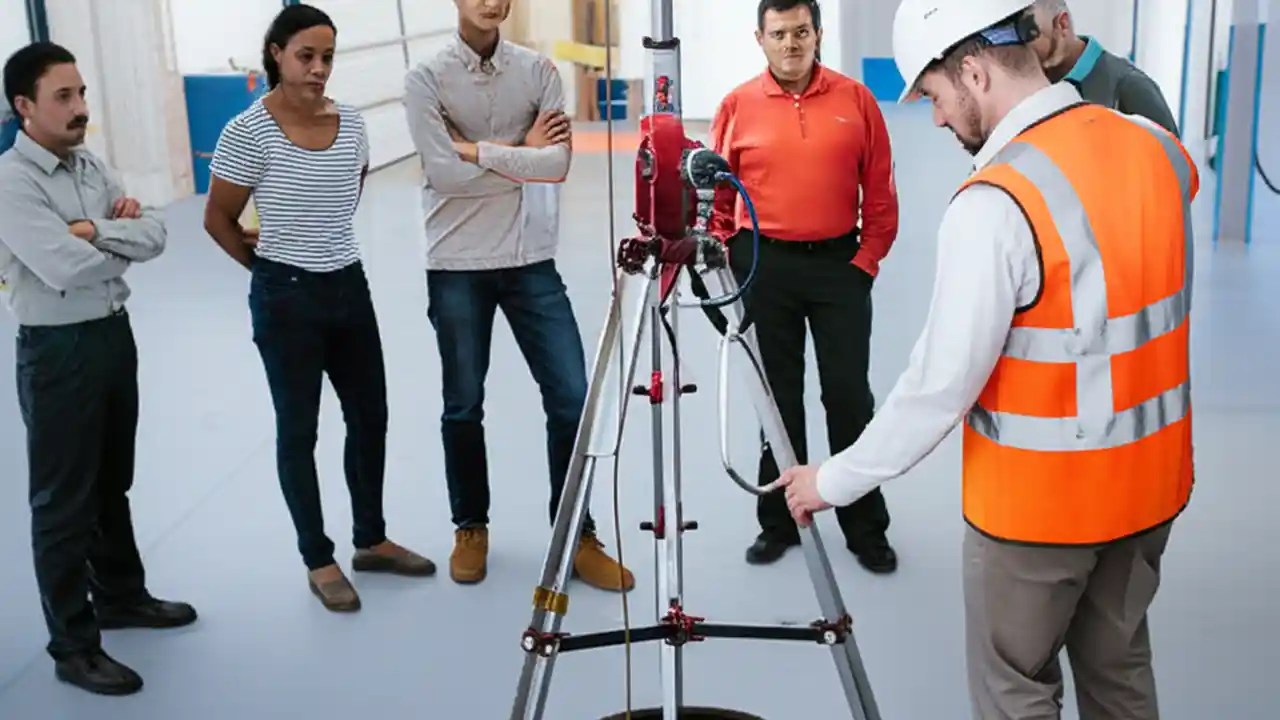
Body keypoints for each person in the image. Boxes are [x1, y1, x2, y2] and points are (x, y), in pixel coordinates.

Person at [774, 1, 1198, 717]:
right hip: (1149, 490)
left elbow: (939, 388)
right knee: (1121, 674)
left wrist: (835, 479)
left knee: (1017, 691)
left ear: (973, 71)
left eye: (936, 97)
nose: (937, 120)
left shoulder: (998, 203)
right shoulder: (1155, 144)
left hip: (1041, 515)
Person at [203, 4, 434, 613]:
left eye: (328, 56)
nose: (318, 68)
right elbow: (218, 219)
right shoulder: (248, 131)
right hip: (286, 297)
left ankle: (371, 539)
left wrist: (316, 251)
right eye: (306, 55)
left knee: (371, 417)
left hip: (348, 288)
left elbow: (344, 198)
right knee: (298, 430)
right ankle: (318, 556)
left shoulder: (351, 122)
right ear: (276, 53)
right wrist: (269, 270)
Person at [402, 0, 633, 592]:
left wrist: (476, 149)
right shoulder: (425, 79)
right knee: (463, 403)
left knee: (572, 399)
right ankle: (470, 527)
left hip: (532, 261)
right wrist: (520, 150)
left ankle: (575, 532)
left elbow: (555, 163)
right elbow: (442, 174)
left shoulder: (539, 73)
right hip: (456, 263)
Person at [0, 42, 195, 696]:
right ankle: (72, 645)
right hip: (58, 354)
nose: (81, 107)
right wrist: (105, 237)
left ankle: (120, 595)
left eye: (81, 93)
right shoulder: (11, 181)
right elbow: (60, 266)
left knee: (113, 480)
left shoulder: (89, 166)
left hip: (112, 339)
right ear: (24, 106)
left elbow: (159, 235)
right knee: (63, 503)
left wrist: (90, 232)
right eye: (64, 97)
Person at [708, 0, 900, 572]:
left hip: (839, 267)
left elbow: (881, 190)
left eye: (801, 32)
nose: (790, 44)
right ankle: (780, 521)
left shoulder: (855, 100)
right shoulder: (737, 105)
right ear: (760, 39)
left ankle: (864, 526)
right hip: (764, 267)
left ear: (818, 34)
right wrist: (726, 264)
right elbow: (718, 196)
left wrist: (866, 260)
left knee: (849, 399)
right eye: (779, 34)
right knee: (777, 402)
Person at [1029, 0, 1179, 134]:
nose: (1023, 48)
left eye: (1030, 35)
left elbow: (1171, 162)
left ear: (1062, 24)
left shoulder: (1130, 86)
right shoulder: (1030, 85)